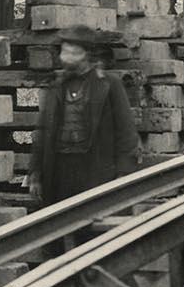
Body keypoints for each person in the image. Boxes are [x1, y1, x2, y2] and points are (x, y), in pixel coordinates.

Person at [30, 26, 139, 211]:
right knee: (58, 225)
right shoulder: (56, 86)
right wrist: (35, 173)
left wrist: (124, 172)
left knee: (93, 224)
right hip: (60, 170)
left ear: (86, 54)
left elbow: (126, 130)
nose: (66, 57)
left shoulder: (109, 84)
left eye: (73, 52)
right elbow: (42, 132)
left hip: (95, 169)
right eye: (65, 51)